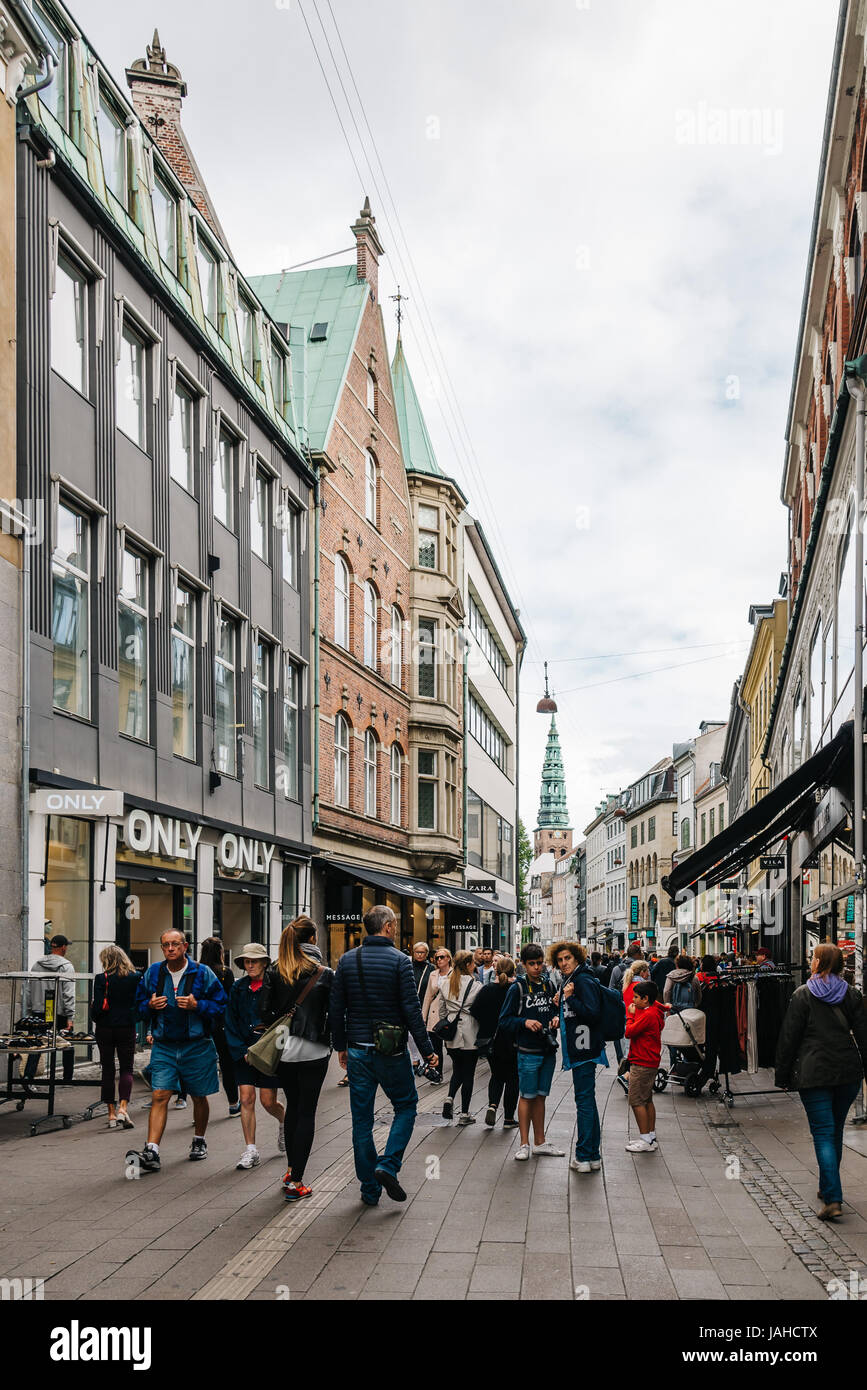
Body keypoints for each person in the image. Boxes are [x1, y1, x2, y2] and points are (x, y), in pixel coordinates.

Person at [330, 904, 438, 1206]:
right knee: (406, 1105)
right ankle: (388, 1165)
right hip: (390, 1050)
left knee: (361, 1120)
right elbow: (411, 1011)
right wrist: (427, 1051)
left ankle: (369, 1190)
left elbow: (336, 1009)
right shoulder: (401, 962)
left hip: (358, 1050)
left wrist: (340, 1046)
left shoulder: (347, 961)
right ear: (388, 927)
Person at [775, 943, 867, 1221]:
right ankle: (829, 1186)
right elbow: (863, 1035)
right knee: (834, 1129)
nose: (811, 961)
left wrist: (781, 1075)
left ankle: (832, 1197)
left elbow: (789, 1037)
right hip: (847, 1072)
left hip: (814, 1072)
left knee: (824, 1132)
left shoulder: (803, 995)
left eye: (814, 957)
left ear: (819, 962)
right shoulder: (851, 994)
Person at [126, 929, 227, 1173]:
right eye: (165, 945)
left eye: (175, 944)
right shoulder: (153, 973)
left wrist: (197, 1005)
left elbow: (222, 1004)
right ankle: (152, 1150)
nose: (170, 949)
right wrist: (149, 1005)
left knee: (198, 1095)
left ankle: (199, 1140)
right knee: (160, 1095)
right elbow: (137, 1007)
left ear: (185, 946)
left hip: (197, 1045)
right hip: (164, 1045)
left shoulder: (202, 972)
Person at [259, 923, 334, 1200]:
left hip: (283, 1050)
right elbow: (336, 1013)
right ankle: (297, 1181)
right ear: (313, 938)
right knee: (306, 1112)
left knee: (292, 1108)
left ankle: (291, 1171)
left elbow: (264, 1012)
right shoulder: (325, 974)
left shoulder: (276, 969)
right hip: (314, 1050)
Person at [497, 942, 565, 1160]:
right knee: (526, 1096)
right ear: (524, 965)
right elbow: (504, 1020)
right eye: (532, 964)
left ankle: (540, 1141)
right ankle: (524, 1144)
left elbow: (557, 1010)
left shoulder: (549, 985)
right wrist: (525, 1022)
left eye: (539, 963)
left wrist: (556, 1018)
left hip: (547, 1050)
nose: (537, 967)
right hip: (527, 1051)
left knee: (541, 1097)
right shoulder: (516, 988)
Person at [223, 943, 286, 1173]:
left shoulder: (275, 987)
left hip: (267, 1052)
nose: (249, 965)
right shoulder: (238, 988)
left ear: (264, 963)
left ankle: (283, 1122)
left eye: (254, 961)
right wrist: (240, 1051)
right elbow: (229, 1021)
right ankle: (251, 1149)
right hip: (243, 1052)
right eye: (246, 961)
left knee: (267, 1101)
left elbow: (282, 1021)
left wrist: (268, 1049)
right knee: (246, 1099)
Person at [550, 941, 605, 1174]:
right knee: (587, 1099)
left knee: (583, 1101)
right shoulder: (573, 979)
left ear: (577, 958)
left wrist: (570, 998)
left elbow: (592, 1013)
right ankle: (592, 1155)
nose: (563, 963)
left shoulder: (581, 980)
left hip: (584, 1047)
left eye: (567, 959)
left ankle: (584, 1156)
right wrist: (562, 1000)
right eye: (560, 960)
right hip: (581, 1046)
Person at [91, 944, 141, 1130]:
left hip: (104, 1028)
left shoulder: (101, 979)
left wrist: (95, 1015)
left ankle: (111, 1114)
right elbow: (140, 1001)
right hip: (126, 1026)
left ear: (106, 960)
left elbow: (96, 1009)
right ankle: (123, 1108)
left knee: (108, 1069)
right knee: (127, 1069)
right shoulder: (135, 977)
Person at [21, 934, 77, 1086]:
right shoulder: (66, 966)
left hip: (38, 1013)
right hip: (59, 1014)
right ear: (63, 947)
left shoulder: (36, 965)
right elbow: (68, 994)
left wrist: (28, 1013)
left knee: (37, 1046)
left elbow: (28, 991)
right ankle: (67, 1079)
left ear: (52, 946)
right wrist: (70, 1017)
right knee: (67, 1044)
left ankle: (28, 1078)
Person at [471, 955, 519, 1128]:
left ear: (496, 971)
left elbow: (474, 1010)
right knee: (513, 1078)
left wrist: (487, 1023)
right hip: (512, 1040)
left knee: (497, 1075)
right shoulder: (516, 989)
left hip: (491, 1040)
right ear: (514, 971)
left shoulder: (487, 989)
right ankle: (508, 1118)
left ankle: (492, 1105)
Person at [438, 950, 483, 1125]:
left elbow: (442, 1011)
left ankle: (449, 1098)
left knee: (457, 1069)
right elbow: (480, 1011)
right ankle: (464, 1114)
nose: (475, 965)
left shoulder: (444, 983)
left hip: (451, 1034)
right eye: (473, 962)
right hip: (470, 1033)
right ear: (468, 965)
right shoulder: (476, 985)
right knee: (469, 1074)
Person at [199, 937, 241, 1116]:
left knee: (200, 1066)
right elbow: (231, 1001)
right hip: (222, 1024)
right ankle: (233, 1103)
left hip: (201, 1023)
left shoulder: (197, 971)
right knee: (227, 1064)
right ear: (220, 952)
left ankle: (199, 1107)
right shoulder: (225, 972)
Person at [624, 980, 666, 1152]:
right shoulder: (655, 1011)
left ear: (645, 998)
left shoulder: (647, 1015)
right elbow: (657, 1003)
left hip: (642, 1062)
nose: (633, 1001)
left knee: (636, 1100)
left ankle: (645, 1139)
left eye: (636, 997)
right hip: (650, 1061)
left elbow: (629, 1032)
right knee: (647, 1099)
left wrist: (630, 1015)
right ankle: (650, 1135)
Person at [409, 942, 435, 1075]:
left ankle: (425, 1059)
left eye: (422, 952)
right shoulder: (408, 966)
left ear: (426, 954)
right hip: (410, 1004)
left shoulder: (431, 969)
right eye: (417, 952)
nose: (419, 955)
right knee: (409, 1035)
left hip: (425, 1004)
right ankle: (415, 1059)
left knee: (422, 1032)